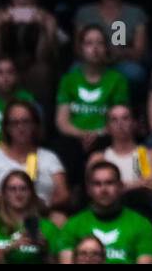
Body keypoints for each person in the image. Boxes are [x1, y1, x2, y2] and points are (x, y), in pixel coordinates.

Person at [54, 25, 130, 178]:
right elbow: (62, 122)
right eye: (89, 43)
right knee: (64, 148)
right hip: (74, 140)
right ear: (80, 48)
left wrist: (98, 133)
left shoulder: (117, 79)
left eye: (100, 43)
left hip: (107, 138)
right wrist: (84, 135)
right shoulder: (69, 80)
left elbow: (121, 119)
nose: (94, 48)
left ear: (106, 48)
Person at [0, 100, 70, 221]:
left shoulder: (49, 157)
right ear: (7, 127)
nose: (20, 127)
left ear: (35, 125)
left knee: (60, 219)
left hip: (41, 215)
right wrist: (15, 202)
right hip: (3, 215)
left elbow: (63, 195)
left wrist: (42, 205)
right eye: (14, 123)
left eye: (26, 122)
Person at [58, 161, 152, 264]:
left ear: (120, 186)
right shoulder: (73, 225)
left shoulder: (141, 224)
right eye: (97, 184)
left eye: (109, 183)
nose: (103, 189)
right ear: (88, 189)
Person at [88, 103, 152, 220]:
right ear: (107, 127)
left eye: (125, 118)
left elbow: (149, 186)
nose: (120, 124)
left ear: (134, 123)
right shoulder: (99, 157)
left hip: (140, 212)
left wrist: (117, 187)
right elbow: (94, 190)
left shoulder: (143, 154)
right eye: (114, 120)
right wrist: (134, 184)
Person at [0, 170, 62, 264]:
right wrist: (12, 247)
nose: (18, 194)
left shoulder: (47, 227)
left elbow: (58, 261)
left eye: (23, 189)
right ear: (4, 194)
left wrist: (45, 249)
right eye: (12, 189)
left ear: (31, 193)